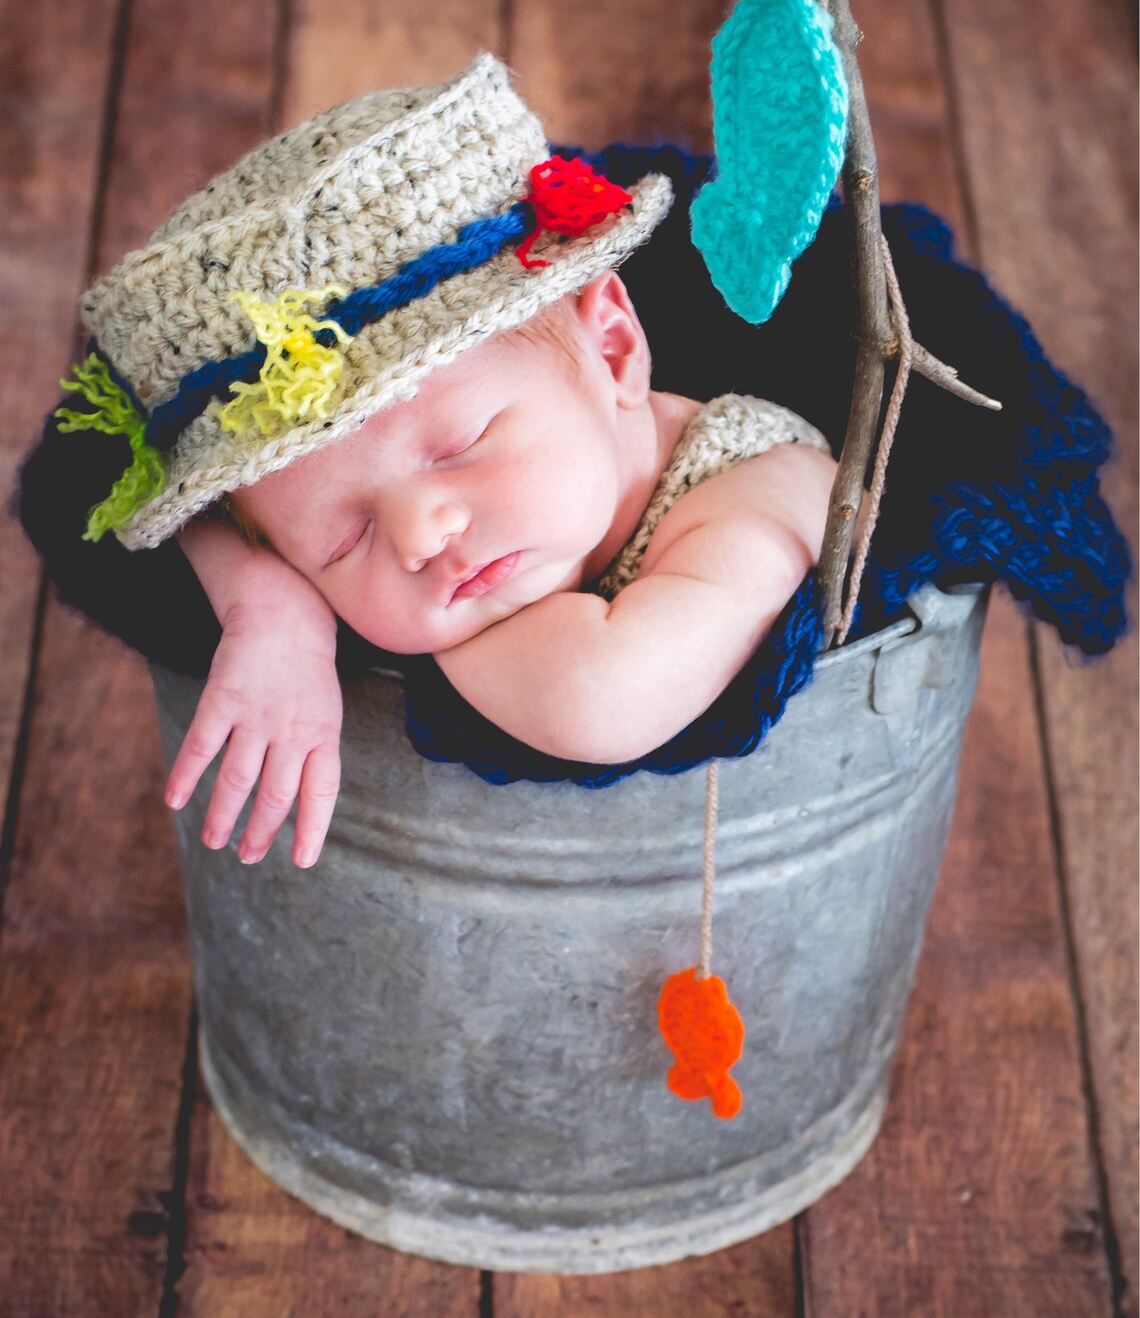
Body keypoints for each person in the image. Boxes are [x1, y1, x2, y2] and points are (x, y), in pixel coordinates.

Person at [53, 55, 837, 871]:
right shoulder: (524, 493)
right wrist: (268, 607)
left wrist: (407, 630)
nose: (420, 536)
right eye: (339, 540)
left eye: (461, 447)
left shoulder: (753, 488)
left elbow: (597, 699)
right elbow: (193, 520)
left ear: (612, 349)